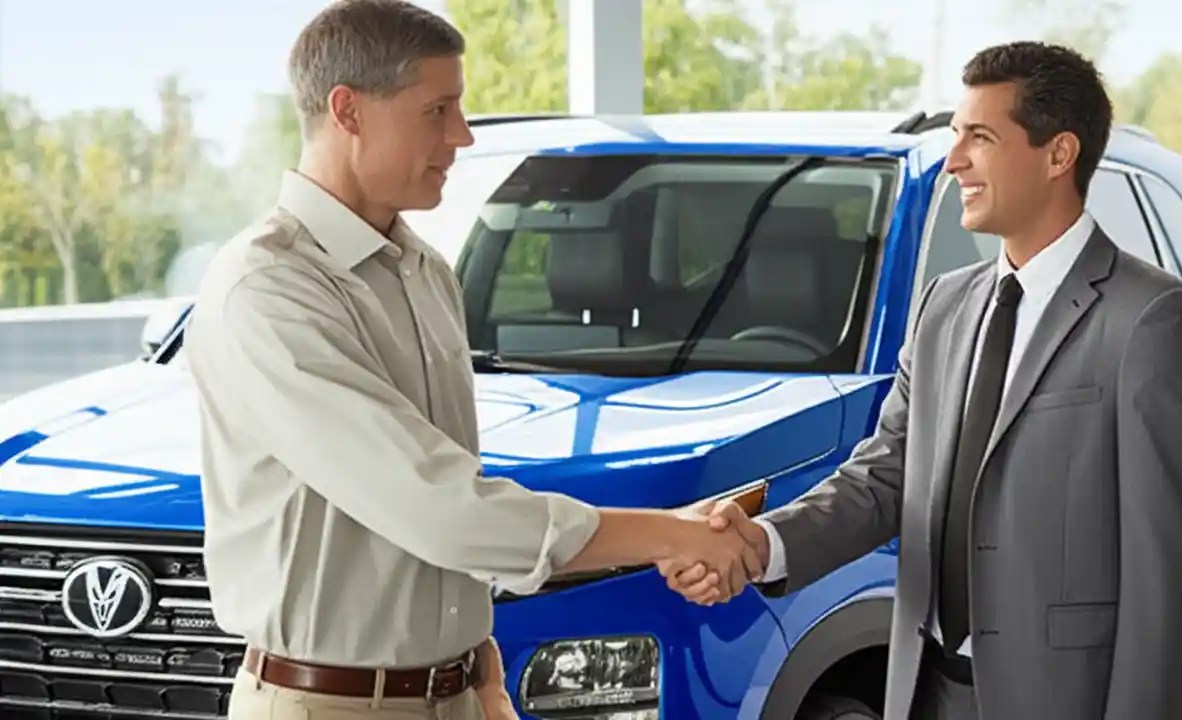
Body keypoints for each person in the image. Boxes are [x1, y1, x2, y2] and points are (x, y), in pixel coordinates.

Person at [185, 2, 759, 719]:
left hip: (456, 693)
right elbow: (437, 505)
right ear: (349, 110)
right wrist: (667, 534)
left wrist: (478, 673)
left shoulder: (421, 268)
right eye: (438, 110)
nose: (460, 135)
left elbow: (444, 496)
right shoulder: (268, 288)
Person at [664, 41, 1182, 720]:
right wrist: (763, 543)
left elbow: (1164, 582)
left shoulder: (1154, 322)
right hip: (925, 688)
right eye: (956, 136)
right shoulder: (943, 307)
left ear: (1059, 155)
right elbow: (884, 478)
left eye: (980, 138)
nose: (955, 159)